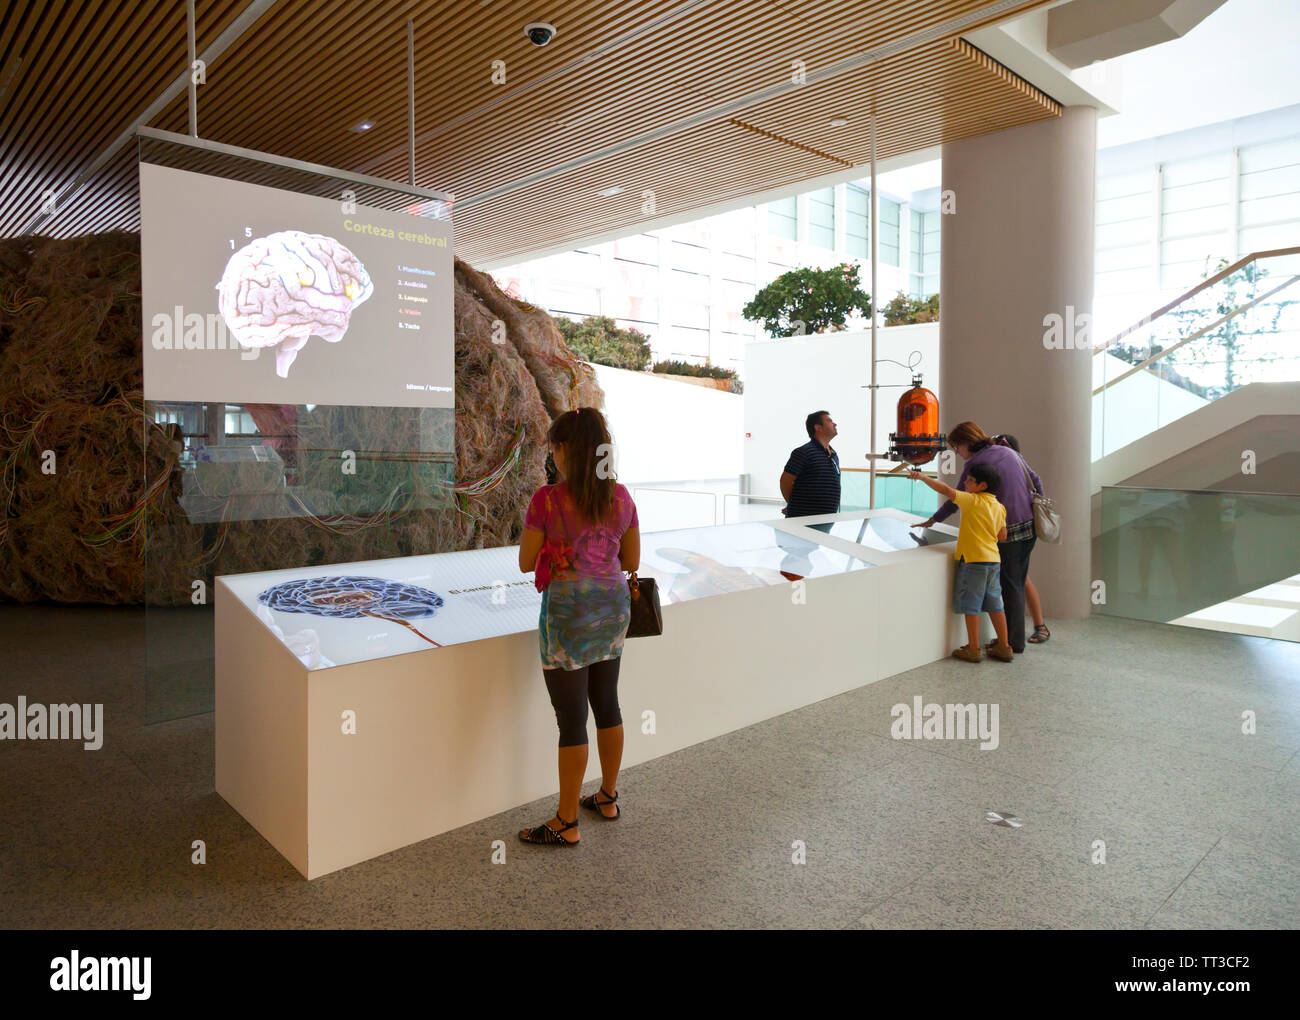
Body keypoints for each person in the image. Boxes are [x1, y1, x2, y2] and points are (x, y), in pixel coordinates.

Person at [517, 408, 640, 846]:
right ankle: (607, 797)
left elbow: (525, 562)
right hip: (611, 612)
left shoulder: (546, 501)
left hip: (568, 620)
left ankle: (566, 822)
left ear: (566, 450)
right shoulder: (622, 497)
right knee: (608, 704)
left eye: (554, 446)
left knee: (572, 720)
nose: (552, 454)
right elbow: (631, 562)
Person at [913, 421, 1044, 654]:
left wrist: (933, 520)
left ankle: (1013, 643)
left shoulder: (976, 463)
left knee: (1010, 587)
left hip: (1009, 533)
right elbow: (1036, 480)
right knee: (1016, 582)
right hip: (1029, 527)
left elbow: (955, 497)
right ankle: (1009, 641)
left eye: (957, 447)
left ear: (966, 443)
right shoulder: (1008, 452)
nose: (957, 453)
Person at [908, 462, 1013, 662]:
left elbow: (946, 490)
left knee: (971, 606)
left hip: (973, 561)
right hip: (993, 561)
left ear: (982, 486)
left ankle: (973, 649)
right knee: (995, 604)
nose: (965, 481)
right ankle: (1004, 646)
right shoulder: (1000, 507)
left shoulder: (971, 500)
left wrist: (922, 477)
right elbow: (1003, 536)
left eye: (970, 480)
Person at [993, 434, 1049, 645]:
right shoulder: (1016, 463)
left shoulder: (1011, 462)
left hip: (1017, 531)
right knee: (1021, 580)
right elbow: (1037, 482)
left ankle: (1036, 627)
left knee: (1020, 581)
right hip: (1024, 529)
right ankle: (1038, 626)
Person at [779, 410, 841, 533]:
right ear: (818, 428)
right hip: (803, 522)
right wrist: (793, 505)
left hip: (825, 521)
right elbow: (785, 482)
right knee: (797, 551)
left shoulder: (833, 455)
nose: (835, 424)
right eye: (829, 421)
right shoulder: (803, 452)